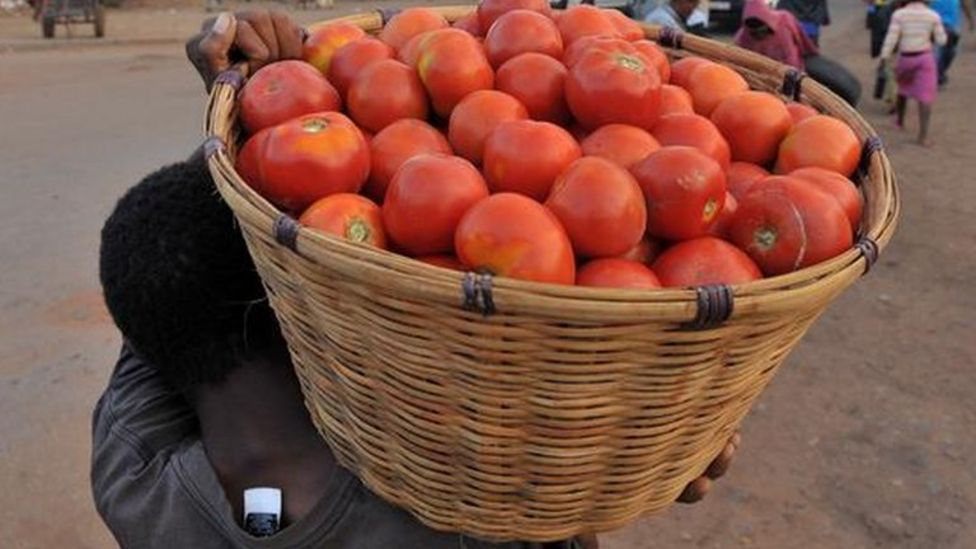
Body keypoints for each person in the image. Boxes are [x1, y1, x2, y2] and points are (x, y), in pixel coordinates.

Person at [92, 10, 740, 549]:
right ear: (299, 309)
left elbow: (158, 288)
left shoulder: (132, 476)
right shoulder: (464, 494)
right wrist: (632, 453)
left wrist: (247, 109)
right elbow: (561, 473)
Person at [734, 0, 862, 105]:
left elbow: (800, 45)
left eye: (760, 28)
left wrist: (811, 54)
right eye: (753, 30)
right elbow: (739, 62)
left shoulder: (784, 22)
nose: (757, 33)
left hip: (792, 69)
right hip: (764, 82)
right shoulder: (743, 38)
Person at [880, 0, 947, 145]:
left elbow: (891, 38)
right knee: (925, 97)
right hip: (924, 57)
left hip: (905, 58)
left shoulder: (899, 14)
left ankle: (899, 122)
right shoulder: (932, 15)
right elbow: (942, 40)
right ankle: (922, 137)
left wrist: (884, 57)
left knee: (903, 88)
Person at [929, 0, 975, 86]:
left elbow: (966, 5)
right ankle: (937, 75)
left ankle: (939, 72)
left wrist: (971, 20)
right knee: (938, 51)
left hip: (952, 25)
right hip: (934, 23)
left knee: (950, 52)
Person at [644, 0, 711, 36]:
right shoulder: (660, 19)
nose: (692, 7)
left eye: (696, 3)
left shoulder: (681, 17)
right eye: (690, 1)